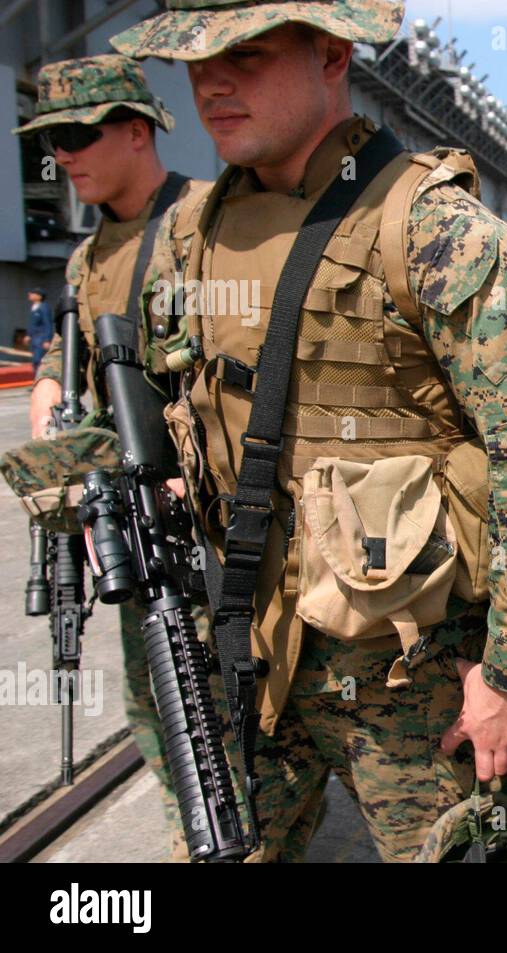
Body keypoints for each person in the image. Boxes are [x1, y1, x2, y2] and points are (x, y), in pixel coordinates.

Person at [112, 0, 507, 862]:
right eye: (196, 63)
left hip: (417, 677)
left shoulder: (434, 230)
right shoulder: (197, 231)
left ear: (333, 54)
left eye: (246, 56)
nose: (212, 84)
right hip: (250, 648)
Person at [11, 54, 231, 860]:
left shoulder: (206, 223)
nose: (62, 157)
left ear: (137, 131)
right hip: (128, 511)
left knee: (221, 694)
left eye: (75, 136)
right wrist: (46, 395)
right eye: (50, 143)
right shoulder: (86, 256)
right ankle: (188, 831)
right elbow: (66, 360)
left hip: (204, 513)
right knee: (153, 691)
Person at [25, 289, 52, 376]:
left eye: (33, 293)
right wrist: (28, 335)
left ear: (39, 296)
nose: (30, 294)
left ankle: (40, 378)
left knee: (38, 360)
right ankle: (36, 378)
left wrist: (47, 340)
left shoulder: (44, 307)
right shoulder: (34, 307)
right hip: (34, 337)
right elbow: (32, 324)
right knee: (35, 360)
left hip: (41, 337)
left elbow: (48, 323)